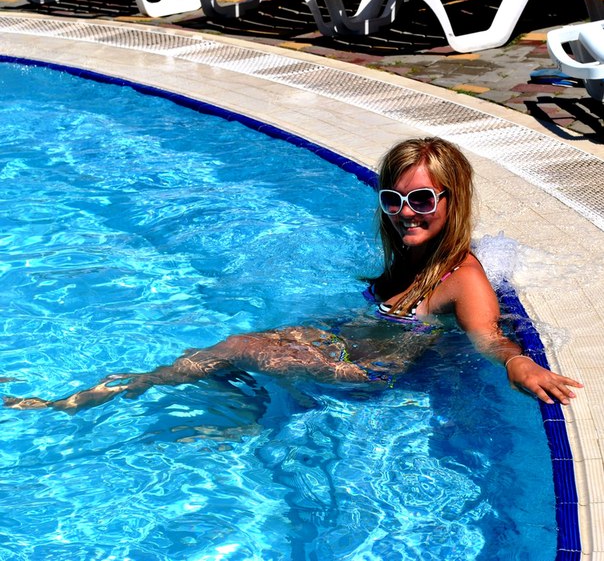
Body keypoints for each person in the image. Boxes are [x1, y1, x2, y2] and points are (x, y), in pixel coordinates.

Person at [4, 137, 582, 414]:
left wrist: (518, 363)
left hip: (365, 372)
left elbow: (487, 335)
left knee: (236, 348)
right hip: (347, 343)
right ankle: (237, 410)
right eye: (394, 199)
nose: (406, 213)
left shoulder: (462, 276)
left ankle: (77, 402)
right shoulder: (414, 253)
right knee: (222, 355)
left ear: (453, 200)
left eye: (423, 199)